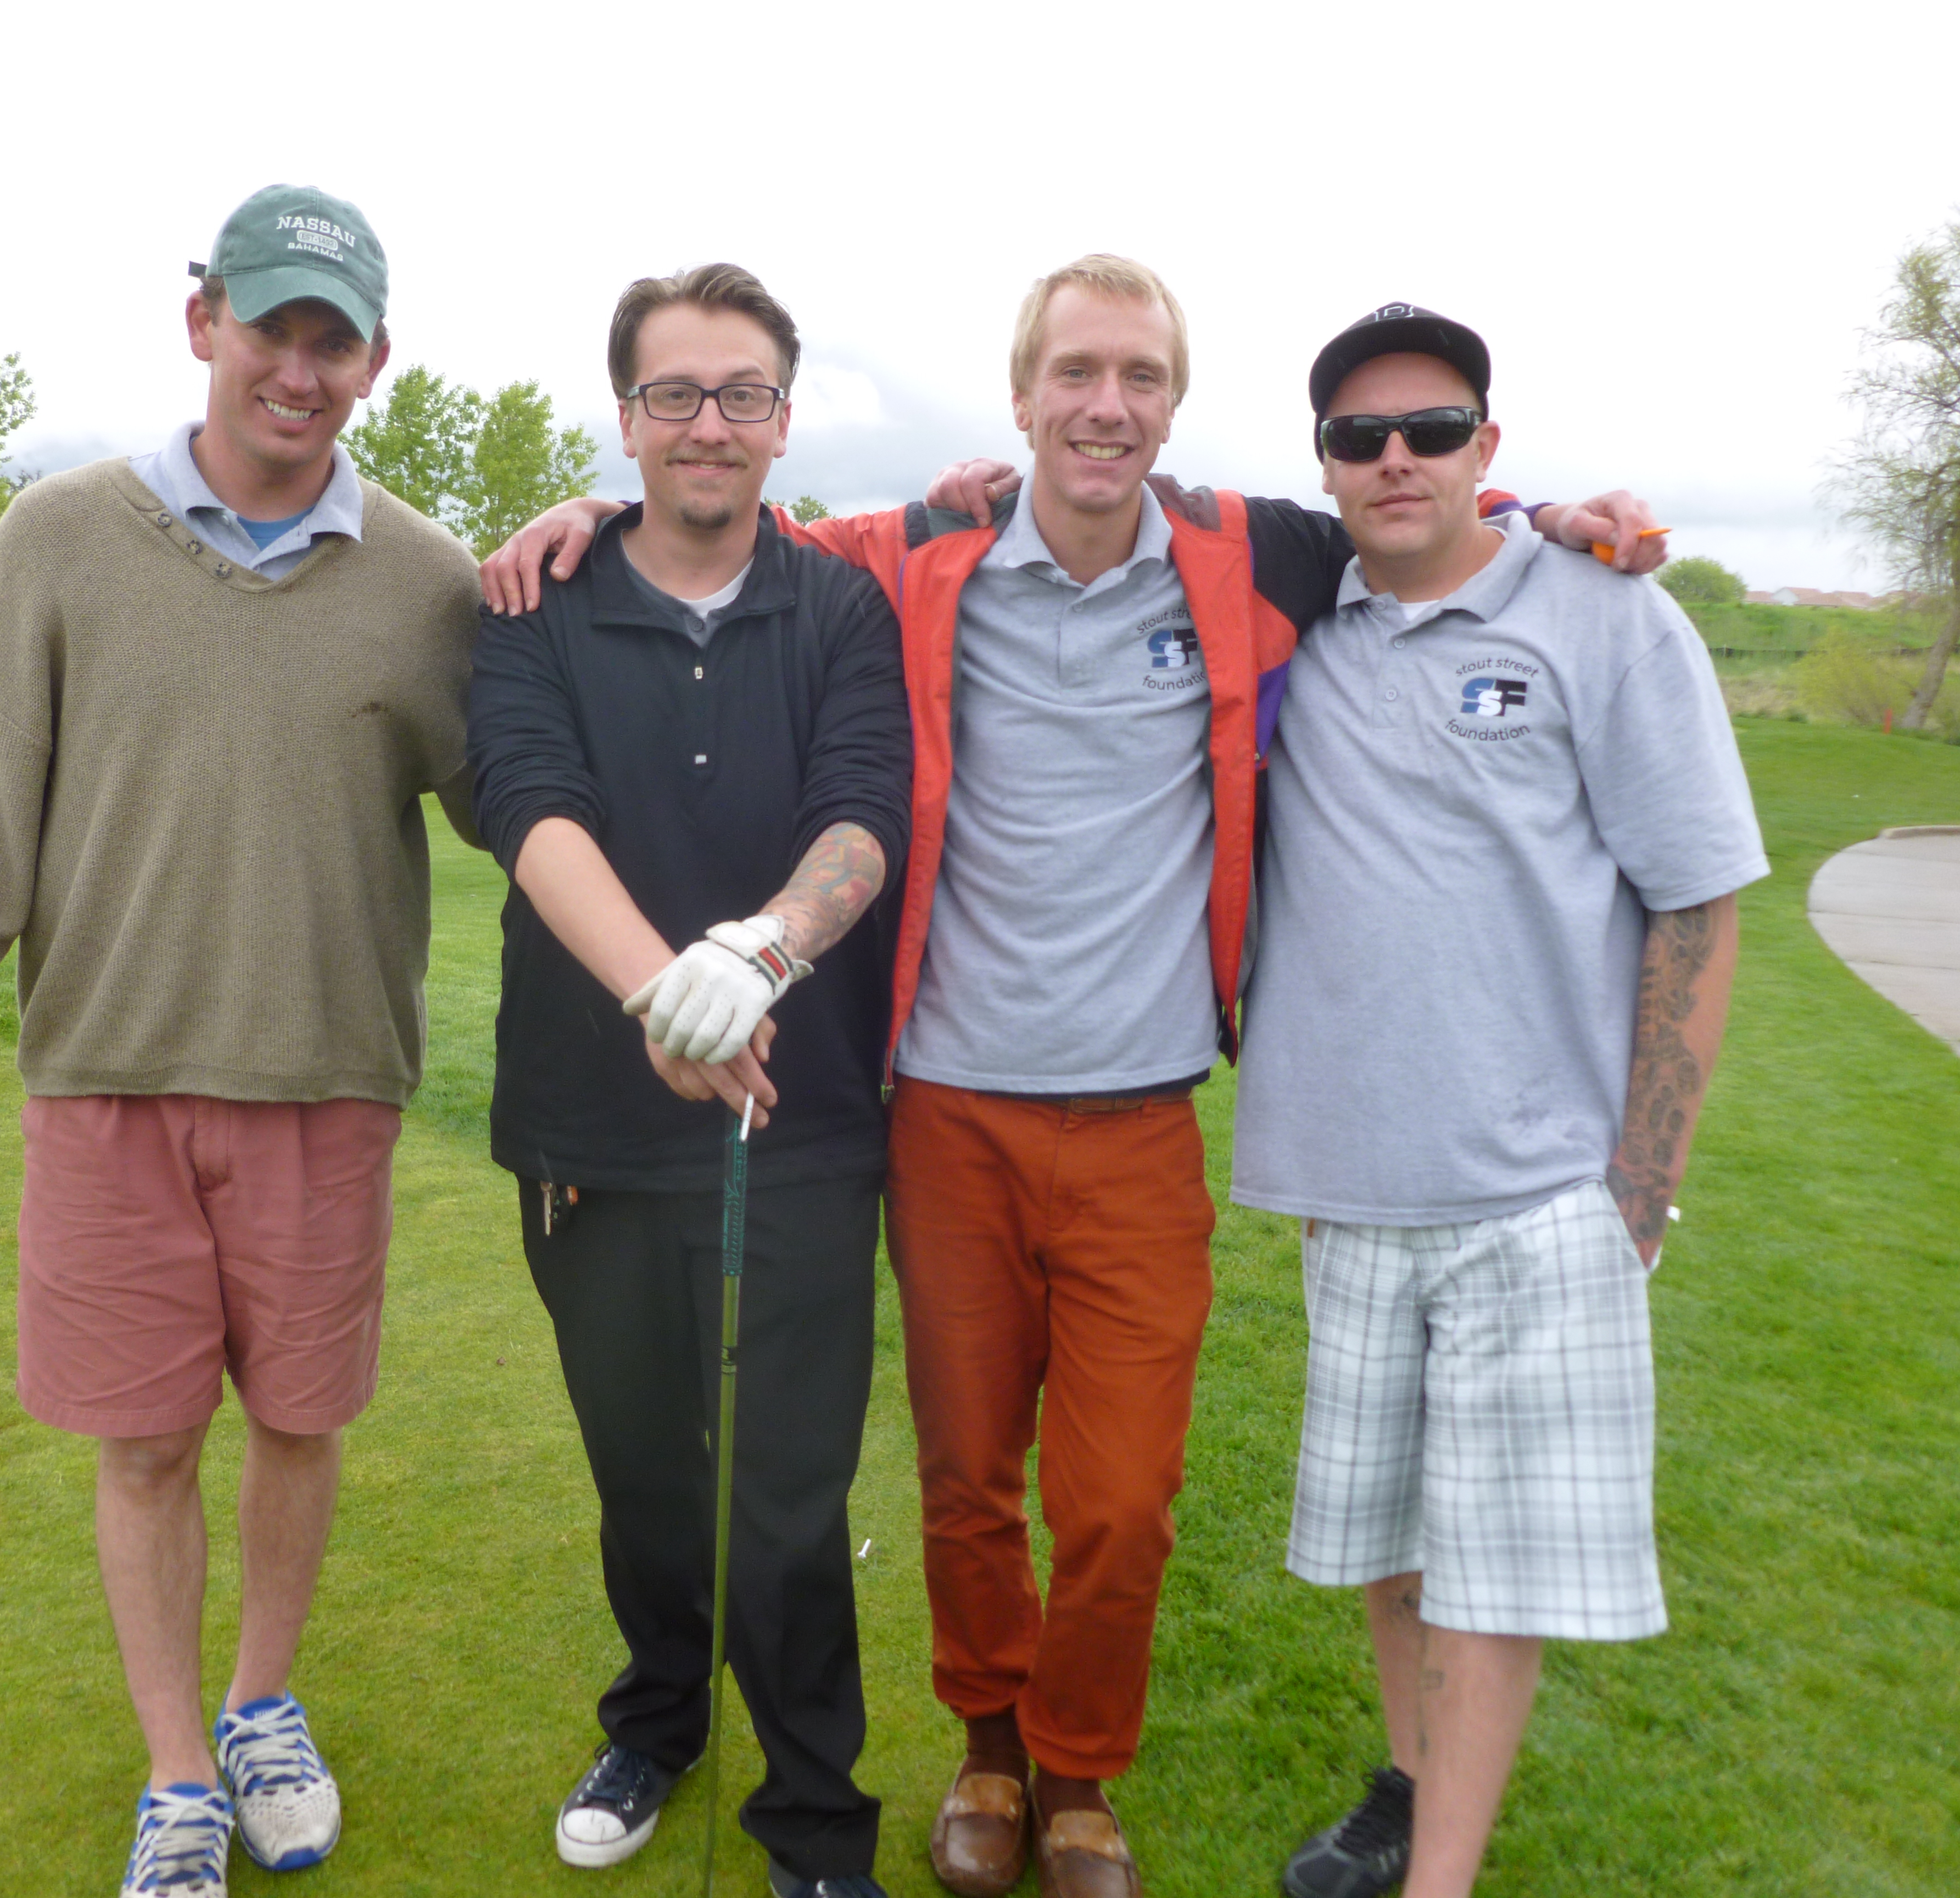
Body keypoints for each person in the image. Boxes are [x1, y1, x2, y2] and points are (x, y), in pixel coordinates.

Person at [483, 258, 1663, 1898]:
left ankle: (1081, 1774)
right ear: (1024, 394)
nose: (1108, 406)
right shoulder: (917, 554)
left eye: (1141, 377)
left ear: (1174, 404)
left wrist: (1548, 513)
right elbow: (721, 521)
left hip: (1141, 1121)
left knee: (1119, 1504)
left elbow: (1421, 518)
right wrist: (581, 514)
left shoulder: (1252, 555)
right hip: (948, 1117)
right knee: (969, 1481)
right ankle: (988, 1757)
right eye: (1078, 374)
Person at [0, 185, 480, 1898]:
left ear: (375, 361)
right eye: (271, 326)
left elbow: (528, 793)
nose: (297, 368)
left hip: (327, 1078)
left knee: (298, 1423)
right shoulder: (59, 537)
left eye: (333, 341)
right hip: (106, 1076)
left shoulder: (433, 582)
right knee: (146, 1442)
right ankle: (178, 1776)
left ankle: (262, 1707)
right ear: (203, 322)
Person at [1232, 306, 1765, 1898]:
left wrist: (1641, 1191)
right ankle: (1407, 1788)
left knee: (1495, 1567)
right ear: (1324, 462)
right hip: (1351, 1185)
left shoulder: (1603, 615)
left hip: (1541, 1194)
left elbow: (1697, 902)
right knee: (1393, 1541)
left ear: (1489, 445)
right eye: (1360, 435)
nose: (1396, 457)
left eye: (1433, 429)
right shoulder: (1298, 625)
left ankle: (1439, 1880)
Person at [466, 263, 912, 1898]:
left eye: (742, 394)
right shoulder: (534, 604)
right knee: (646, 1472)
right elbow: (530, 806)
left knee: (787, 1493)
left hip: (803, 1127)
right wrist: (666, 990)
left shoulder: (843, 610)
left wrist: (763, 956)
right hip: (590, 1122)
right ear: (628, 417)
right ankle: (657, 1719)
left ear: (783, 420)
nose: (708, 423)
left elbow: (865, 810)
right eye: (675, 393)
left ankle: (814, 1814)